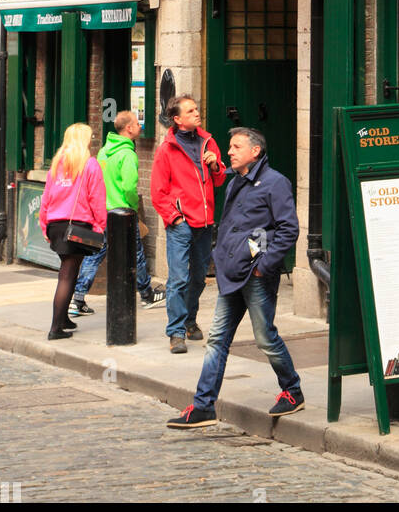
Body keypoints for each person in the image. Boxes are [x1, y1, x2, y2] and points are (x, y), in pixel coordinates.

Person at [167, 127, 303, 427]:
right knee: (217, 340)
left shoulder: (275, 183)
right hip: (231, 275)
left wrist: (263, 265)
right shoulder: (234, 182)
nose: (229, 151)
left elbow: (286, 229)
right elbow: (230, 225)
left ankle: (292, 390)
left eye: (236, 146)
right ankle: (203, 406)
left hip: (256, 276)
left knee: (265, 338)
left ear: (255, 151)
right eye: (230, 146)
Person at [69, 109, 165, 318]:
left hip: (103, 211)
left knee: (94, 254)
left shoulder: (104, 151)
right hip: (122, 212)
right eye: (138, 124)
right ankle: (147, 295)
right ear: (129, 129)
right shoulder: (128, 154)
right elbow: (130, 187)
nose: (140, 126)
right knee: (136, 254)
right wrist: (132, 207)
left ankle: (77, 299)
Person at [150, 94, 225, 353]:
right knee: (178, 278)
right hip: (181, 224)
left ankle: (190, 320)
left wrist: (216, 165)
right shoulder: (166, 150)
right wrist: (175, 218)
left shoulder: (208, 141)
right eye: (191, 110)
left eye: (197, 109)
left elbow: (219, 180)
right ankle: (176, 332)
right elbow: (158, 192)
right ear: (177, 119)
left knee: (198, 278)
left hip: (205, 223)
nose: (197, 113)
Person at [39, 122, 107, 340]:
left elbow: (46, 199)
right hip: (77, 225)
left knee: (69, 271)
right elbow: (97, 199)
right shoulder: (90, 165)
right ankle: (55, 328)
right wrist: (100, 225)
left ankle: (64, 320)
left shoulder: (56, 165)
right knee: (67, 275)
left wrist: (44, 226)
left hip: (55, 225)